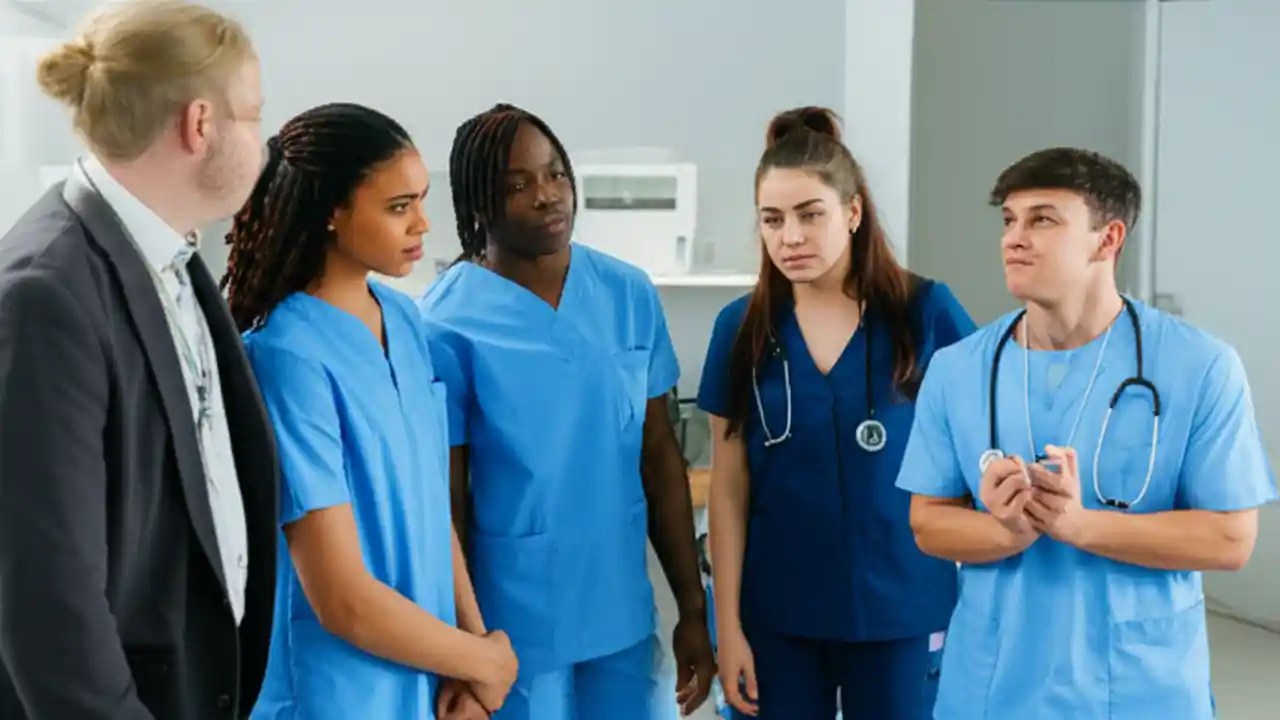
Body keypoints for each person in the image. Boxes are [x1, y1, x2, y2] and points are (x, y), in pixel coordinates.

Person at [896, 146, 1278, 719]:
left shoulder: (1199, 367)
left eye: (1042, 219)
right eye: (1009, 220)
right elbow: (928, 522)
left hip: (1139, 689)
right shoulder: (960, 369)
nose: (1014, 238)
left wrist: (1081, 526)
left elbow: (1230, 539)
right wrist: (1006, 530)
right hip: (993, 686)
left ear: (1108, 238)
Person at [0, 3, 278, 718]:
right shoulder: (44, 293)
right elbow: (46, 603)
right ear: (201, 125)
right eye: (253, 117)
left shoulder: (170, 256)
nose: (265, 145)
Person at [418, 102, 717, 720]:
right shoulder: (446, 324)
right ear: (479, 205)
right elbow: (447, 503)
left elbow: (660, 457)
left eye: (556, 174)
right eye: (518, 185)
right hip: (511, 628)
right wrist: (460, 646)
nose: (548, 196)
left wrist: (693, 608)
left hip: (620, 610)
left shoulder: (627, 292)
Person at [221, 102, 518, 720]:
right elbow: (341, 600)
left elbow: (431, 508)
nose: (422, 224)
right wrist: (484, 661)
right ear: (332, 211)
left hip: (429, 681)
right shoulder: (285, 357)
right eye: (398, 207)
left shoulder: (407, 323)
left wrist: (473, 658)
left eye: (421, 200)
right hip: (337, 695)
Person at [696, 106, 976, 719]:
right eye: (772, 220)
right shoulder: (741, 329)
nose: (790, 237)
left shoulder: (925, 313)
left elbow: (981, 451)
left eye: (810, 215)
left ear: (852, 213)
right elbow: (729, 489)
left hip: (902, 605)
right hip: (779, 611)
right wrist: (728, 628)